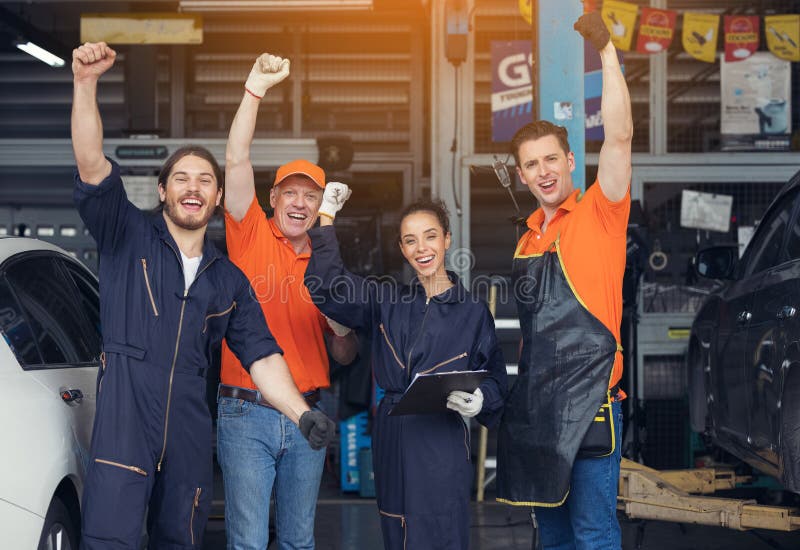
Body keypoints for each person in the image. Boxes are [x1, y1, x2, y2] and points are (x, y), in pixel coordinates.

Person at [71, 42, 335, 549]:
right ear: (163, 191)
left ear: (217, 198)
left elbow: (261, 355)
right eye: (182, 179)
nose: (193, 188)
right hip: (126, 417)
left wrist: (302, 414)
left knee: (180, 538)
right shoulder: (126, 233)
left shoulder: (227, 278)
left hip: (191, 428)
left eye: (205, 181)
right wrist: (85, 85)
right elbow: (90, 162)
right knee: (111, 540)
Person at [495, 12, 633, 550]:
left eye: (552, 158)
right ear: (523, 175)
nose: (544, 170)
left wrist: (606, 53)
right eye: (531, 164)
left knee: (593, 533)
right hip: (538, 410)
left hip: (596, 404)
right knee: (550, 533)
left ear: (571, 160)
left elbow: (618, 136)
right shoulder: (526, 238)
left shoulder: (602, 211)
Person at [304, 195, 508, 550]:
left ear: (447, 238)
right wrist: (326, 217)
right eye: (410, 240)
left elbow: (494, 379)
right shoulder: (386, 301)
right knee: (397, 531)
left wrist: (480, 399)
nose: (421, 248)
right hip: (393, 434)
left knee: (441, 532)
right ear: (401, 248)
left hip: (441, 438)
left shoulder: (472, 312)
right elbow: (327, 286)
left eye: (430, 236)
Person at [219, 53, 359, 550]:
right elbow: (235, 160)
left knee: (299, 541)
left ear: (321, 206)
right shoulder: (249, 231)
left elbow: (344, 356)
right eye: (291, 194)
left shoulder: (328, 265)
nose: (300, 203)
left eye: (311, 196)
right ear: (273, 198)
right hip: (246, 412)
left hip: (311, 414)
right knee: (249, 543)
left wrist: (339, 323)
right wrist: (254, 89)